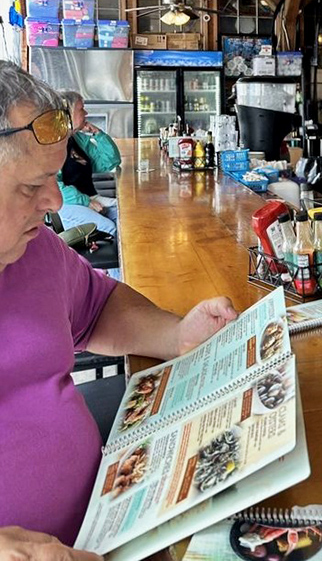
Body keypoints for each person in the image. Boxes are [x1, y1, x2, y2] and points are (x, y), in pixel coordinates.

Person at [0, 62, 238, 559]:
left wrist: (176, 334)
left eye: (54, 177)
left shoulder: (34, 249)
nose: (52, 203)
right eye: (31, 186)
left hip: (114, 522)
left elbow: (97, 306)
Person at [57, 91, 120, 237]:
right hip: (68, 204)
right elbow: (55, 186)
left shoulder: (77, 139)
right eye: (81, 109)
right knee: (111, 227)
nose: (86, 113)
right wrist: (86, 202)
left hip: (87, 198)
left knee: (124, 214)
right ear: (67, 114)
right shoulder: (54, 145)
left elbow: (110, 161)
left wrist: (98, 133)